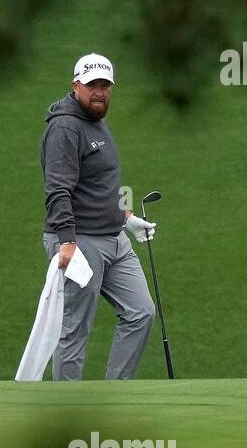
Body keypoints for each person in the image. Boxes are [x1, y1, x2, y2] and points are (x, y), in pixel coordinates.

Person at [40, 53, 158, 380]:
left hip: (113, 238)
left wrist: (125, 218)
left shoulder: (97, 122)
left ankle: (112, 396)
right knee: (74, 329)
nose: (99, 92)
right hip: (80, 242)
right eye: (92, 84)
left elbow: (96, 185)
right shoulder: (66, 127)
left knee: (141, 313)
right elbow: (58, 189)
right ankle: (68, 411)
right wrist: (66, 241)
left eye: (105, 85)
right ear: (75, 85)